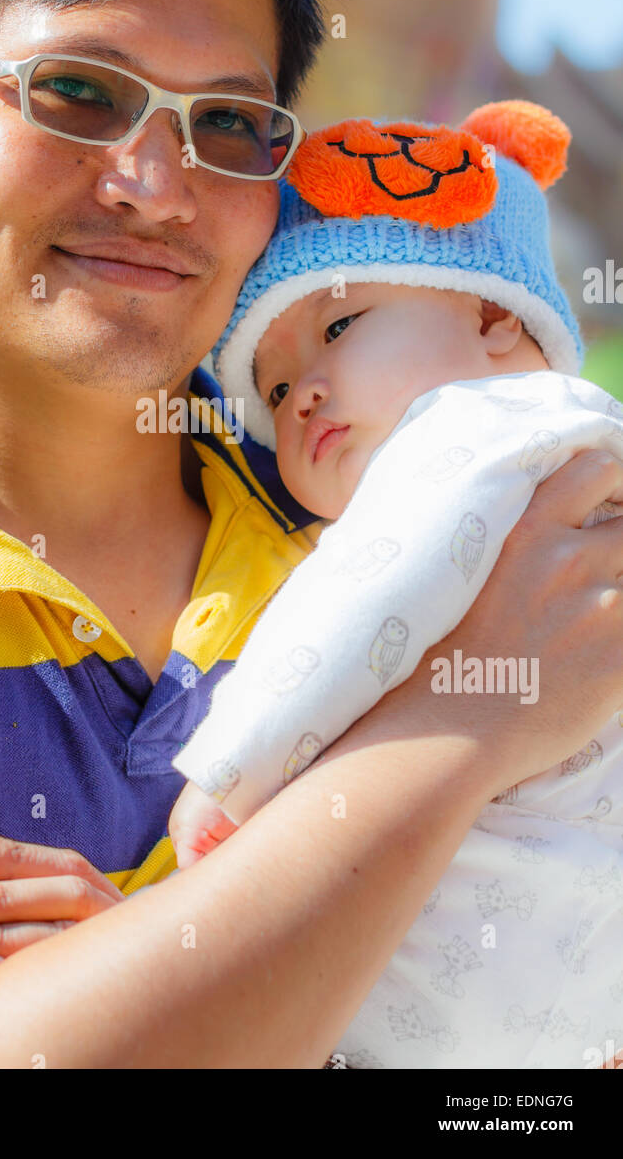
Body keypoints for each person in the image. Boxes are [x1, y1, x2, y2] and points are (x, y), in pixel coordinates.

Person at [0, 0, 621, 1071]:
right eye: (77, 93)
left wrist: (174, 989)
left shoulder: (383, 483)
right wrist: (463, 722)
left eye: (226, 124)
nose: (154, 187)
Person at [168, 99, 623, 1068]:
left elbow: (347, 615)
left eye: (339, 325)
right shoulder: (575, 450)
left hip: (437, 983)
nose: (306, 396)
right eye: (277, 388)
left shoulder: (467, 433)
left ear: (494, 316)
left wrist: (228, 773)